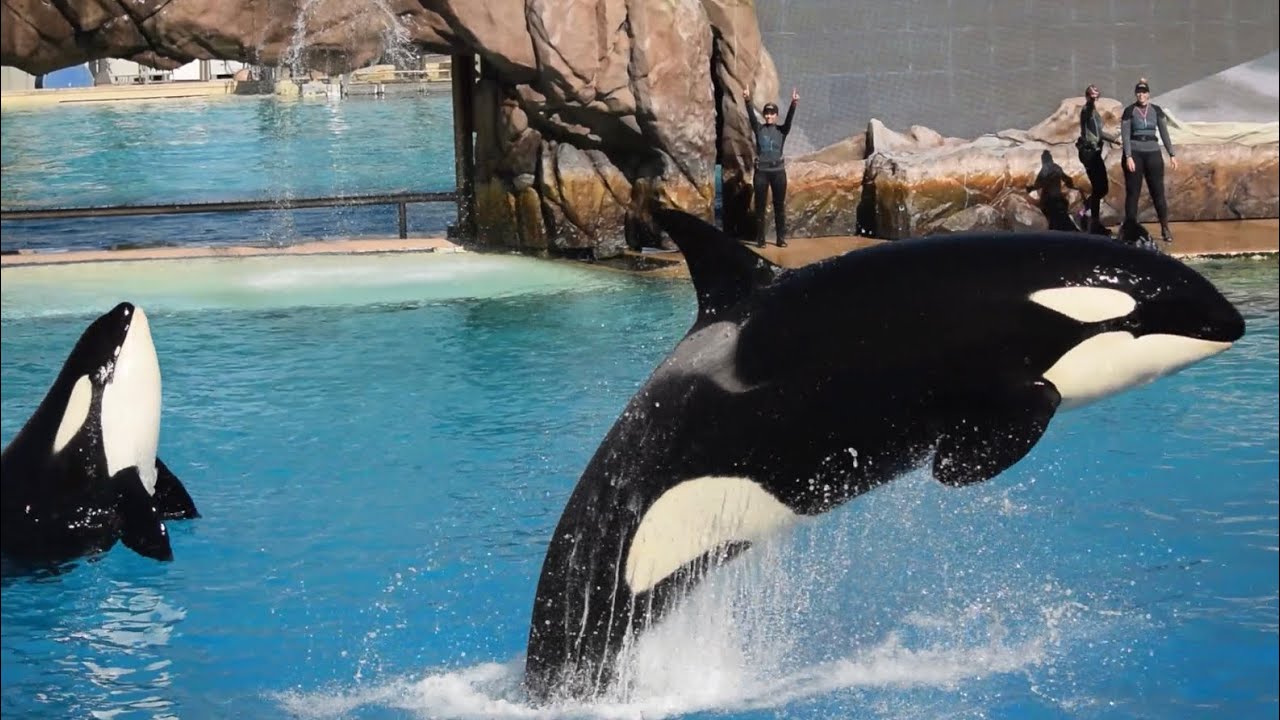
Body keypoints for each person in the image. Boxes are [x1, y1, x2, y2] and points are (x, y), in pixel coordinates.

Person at [1120, 78, 1179, 243]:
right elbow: (1125, 135)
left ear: (1148, 94)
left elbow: (1164, 133)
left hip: (1153, 153)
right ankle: (1130, 228)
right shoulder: (1129, 111)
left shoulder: (1157, 111)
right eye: (1138, 92)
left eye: (1144, 92)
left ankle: (1165, 228)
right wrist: (1128, 156)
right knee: (1133, 193)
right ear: (1135, 94)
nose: (1141, 95)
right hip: (1135, 153)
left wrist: (1172, 154)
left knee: (1158, 193)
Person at [743, 87, 799, 247]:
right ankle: (760, 240)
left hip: (778, 173)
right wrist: (747, 100)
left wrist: (794, 103)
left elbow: (789, 120)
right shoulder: (759, 129)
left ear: (776, 115)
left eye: (771, 113)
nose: (768, 116)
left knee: (779, 206)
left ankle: (780, 239)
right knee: (760, 208)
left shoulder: (782, 130)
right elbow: (752, 117)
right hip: (762, 173)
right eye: (766, 113)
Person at [1076, 83, 1119, 235]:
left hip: (1095, 152)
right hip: (1089, 153)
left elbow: (1099, 133)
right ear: (1087, 96)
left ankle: (1084, 213)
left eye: (1096, 95)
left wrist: (1114, 138)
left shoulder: (1094, 111)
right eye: (1091, 95)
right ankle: (1093, 222)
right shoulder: (1087, 109)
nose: (1095, 97)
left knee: (1103, 188)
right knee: (1098, 187)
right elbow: (1087, 112)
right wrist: (1090, 101)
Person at [1027, 149, 1080, 232]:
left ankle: (1054, 231)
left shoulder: (1045, 169)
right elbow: (1066, 179)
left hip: (1048, 199)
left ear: (1044, 159)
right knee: (1061, 214)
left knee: (1051, 216)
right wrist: (1071, 185)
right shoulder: (1056, 167)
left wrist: (1030, 188)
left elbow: (1038, 184)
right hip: (1057, 196)